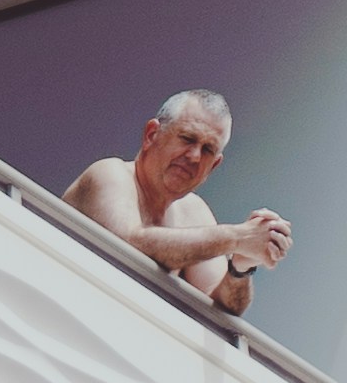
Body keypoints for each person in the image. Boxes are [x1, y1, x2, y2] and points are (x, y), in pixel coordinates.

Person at [70, 86, 291, 326]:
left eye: (207, 150)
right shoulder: (109, 174)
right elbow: (127, 248)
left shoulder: (194, 212)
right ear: (152, 135)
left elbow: (224, 308)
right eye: (187, 138)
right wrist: (236, 237)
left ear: (214, 166)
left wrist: (241, 265)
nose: (195, 156)